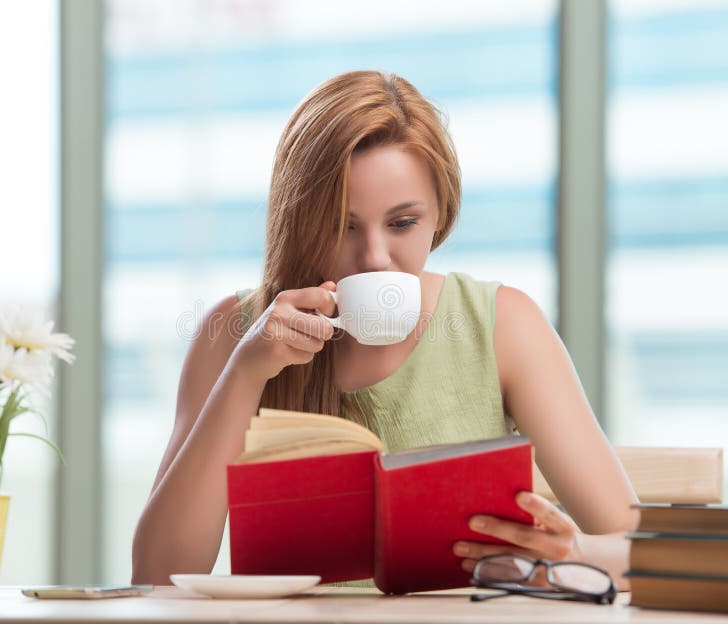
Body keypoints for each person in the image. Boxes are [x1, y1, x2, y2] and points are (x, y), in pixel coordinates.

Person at [131, 70, 639, 588]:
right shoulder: (235, 332)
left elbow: (638, 549)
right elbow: (156, 575)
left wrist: (572, 551)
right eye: (342, 225)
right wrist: (245, 373)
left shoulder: (502, 324)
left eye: (402, 223)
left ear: (440, 216)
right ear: (301, 219)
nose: (374, 257)